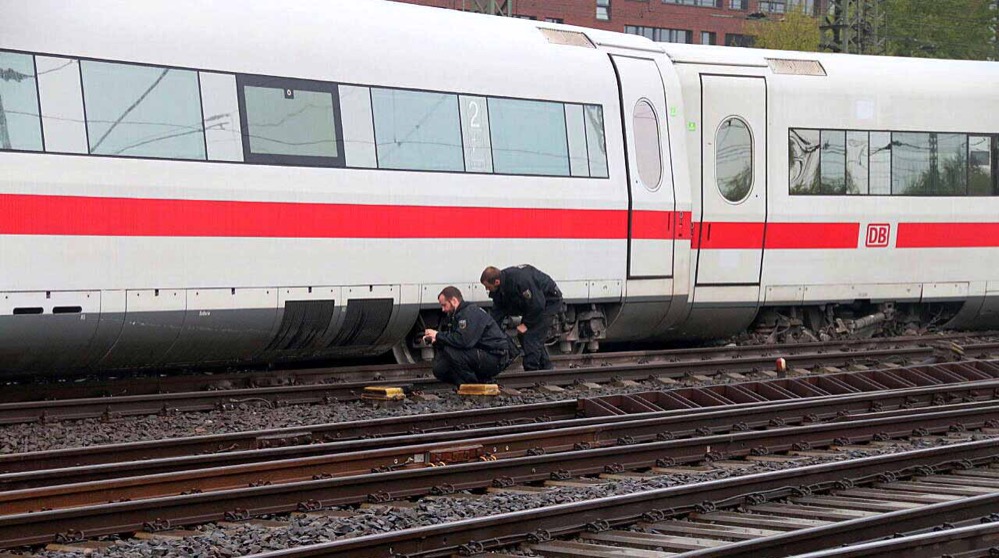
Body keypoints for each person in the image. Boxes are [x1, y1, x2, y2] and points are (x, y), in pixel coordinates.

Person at [423, 286, 512, 386]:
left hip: (494, 355)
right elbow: (455, 337)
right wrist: (437, 340)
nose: (443, 309)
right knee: (440, 368)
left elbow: (463, 341)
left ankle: (473, 384)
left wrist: (438, 335)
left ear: (454, 300)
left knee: (452, 352)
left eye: (444, 305)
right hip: (482, 353)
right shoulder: (458, 315)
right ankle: (464, 384)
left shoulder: (469, 314)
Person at [480, 264, 563, 371]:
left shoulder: (521, 281)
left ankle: (531, 370)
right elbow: (499, 309)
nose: (487, 289)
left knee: (530, 335)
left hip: (549, 302)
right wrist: (492, 327)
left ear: (496, 282)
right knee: (527, 335)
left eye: (487, 286)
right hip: (534, 306)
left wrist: (526, 324)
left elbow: (537, 305)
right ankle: (546, 367)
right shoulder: (502, 285)